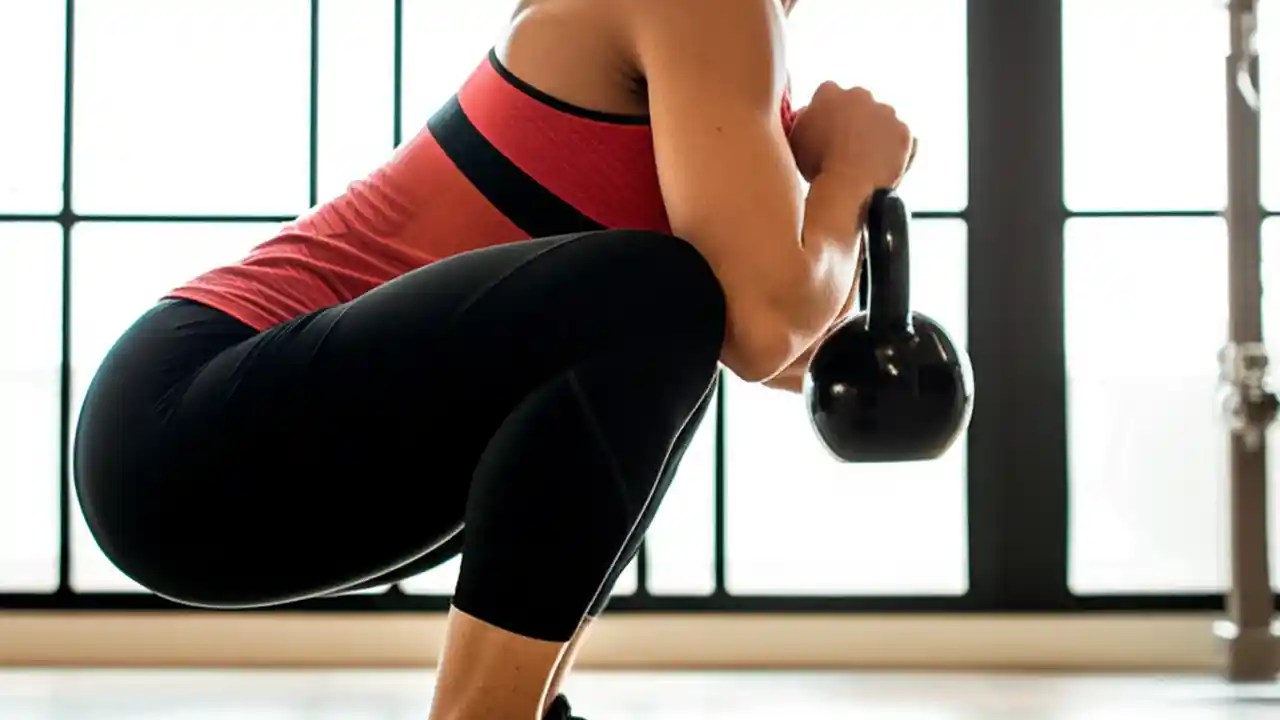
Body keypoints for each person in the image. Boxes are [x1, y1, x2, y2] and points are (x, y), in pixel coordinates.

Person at [72, 0, 914, 717]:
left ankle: (531, 705)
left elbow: (785, 350)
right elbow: (770, 327)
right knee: (663, 294)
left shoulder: (739, 43)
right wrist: (847, 175)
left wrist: (825, 196)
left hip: (298, 450)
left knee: (676, 317)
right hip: (185, 419)